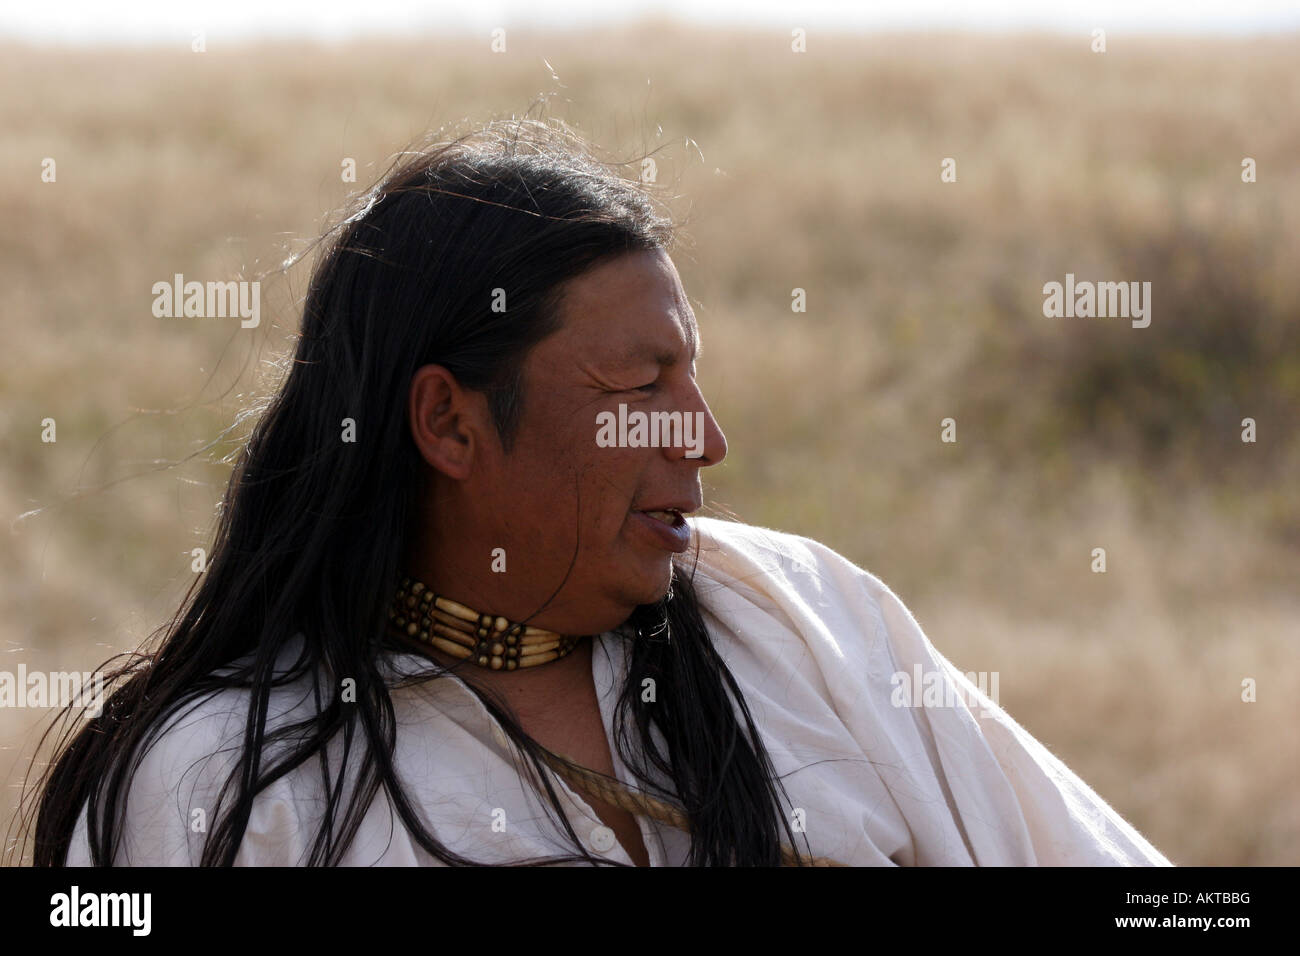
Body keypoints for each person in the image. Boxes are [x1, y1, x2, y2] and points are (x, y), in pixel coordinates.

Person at [29, 118, 1171, 867]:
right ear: (449, 421)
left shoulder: (810, 622)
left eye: (695, 375)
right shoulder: (225, 784)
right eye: (641, 384)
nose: (708, 439)